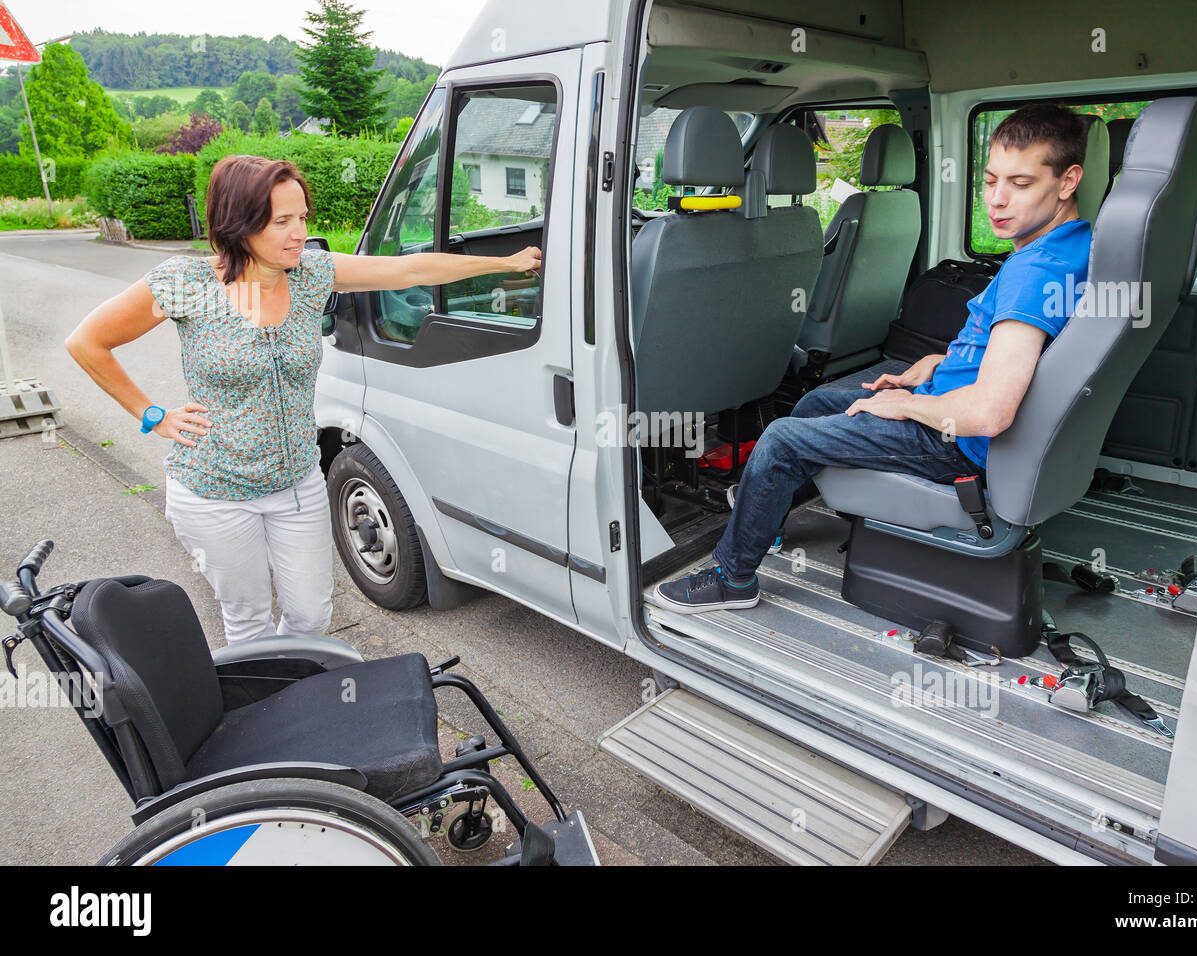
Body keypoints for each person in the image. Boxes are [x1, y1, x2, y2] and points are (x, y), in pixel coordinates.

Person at [65, 155, 541, 643]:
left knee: (311, 617)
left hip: (297, 485)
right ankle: (271, 708)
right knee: (247, 623)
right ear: (239, 224)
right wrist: (153, 415)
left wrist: (505, 263)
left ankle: (299, 687)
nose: (299, 233)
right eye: (282, 222)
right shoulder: (185, 284)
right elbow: (87, 342)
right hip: (214, 492)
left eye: (303, 218)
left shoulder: (311, 273)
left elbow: (406, 270)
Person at [654, 103, 1093, 613]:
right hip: (953, 409)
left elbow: (991, 411)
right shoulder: (1073, 245)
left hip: (956, 442)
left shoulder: (1033, 271)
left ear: (1068, 181)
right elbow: (1011, 351)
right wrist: (935, 363)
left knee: (779, 438)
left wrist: (906, 405)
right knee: (817, 403)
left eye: (1020, 183)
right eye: (991, 179)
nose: (996, 200)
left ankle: (733, 579)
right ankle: (764, 511)